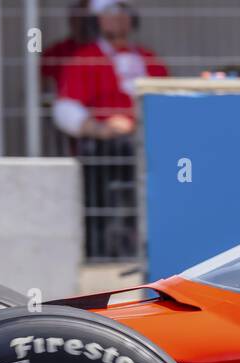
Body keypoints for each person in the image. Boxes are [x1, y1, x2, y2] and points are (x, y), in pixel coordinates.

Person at [53, 0, 166, 256]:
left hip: (148, 142)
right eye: (110, 13)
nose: (117, 18)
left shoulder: (150, 59)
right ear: (97, 19)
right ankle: (102, 251)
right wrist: (97, 127)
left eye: (123, 12)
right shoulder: (85, 59)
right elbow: (66, 107)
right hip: (106, 145)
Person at [41, 1, 95, 92]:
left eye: (86, 19)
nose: (83, 24)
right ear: (71, 20)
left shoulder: (104, 50)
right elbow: (40, 88)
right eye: (79, 19)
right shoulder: (55, 52)